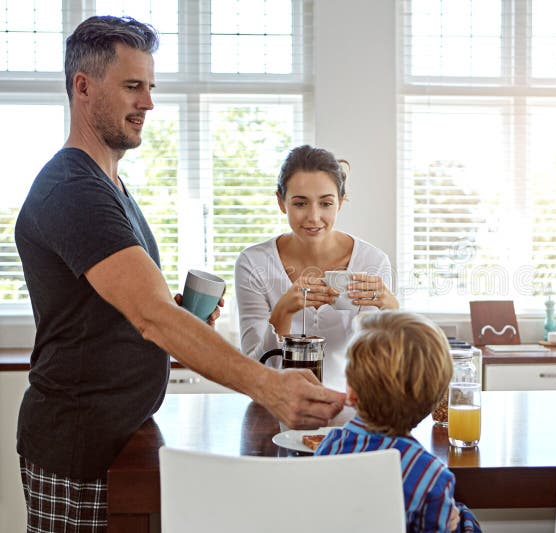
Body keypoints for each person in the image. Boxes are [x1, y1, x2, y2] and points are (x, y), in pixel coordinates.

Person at [14, 16, 343, 531]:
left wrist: (177, 315)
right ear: (83, 86)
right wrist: (269, 387)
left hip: (122, 431)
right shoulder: (73, 189)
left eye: (150, 87)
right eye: (132, 87)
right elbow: (150, 317)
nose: (148, 103)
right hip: (79, 445)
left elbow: (124, 310)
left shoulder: (111, 187)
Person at [235, 144, 399, 391]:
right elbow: (254, 371)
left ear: (340, 202)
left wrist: (392, 311)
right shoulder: (253, 263)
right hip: (275, 406)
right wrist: (282, 313)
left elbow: (379, 366)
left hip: (350, 407)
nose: (313, 217)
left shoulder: (372, 262)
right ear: (281, 202)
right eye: (300, 203)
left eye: (325, 203)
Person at [315, 311, 482, 533]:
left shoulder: (330, 447)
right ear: (435, 402)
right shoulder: (432, 477)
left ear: (351, 393)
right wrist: (459, 520)